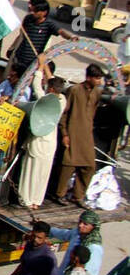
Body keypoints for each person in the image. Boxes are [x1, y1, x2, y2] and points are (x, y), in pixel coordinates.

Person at [55, 64, 104, 205]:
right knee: (68, 165)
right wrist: (64, 133)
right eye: (97, 78)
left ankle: (78, 196)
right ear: (88, 77)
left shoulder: (97, 93)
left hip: (87, 134)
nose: (99, 81)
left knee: (89, 166)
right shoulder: (74, 90)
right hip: (72, 132)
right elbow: (64, 114)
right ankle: (60, 194)